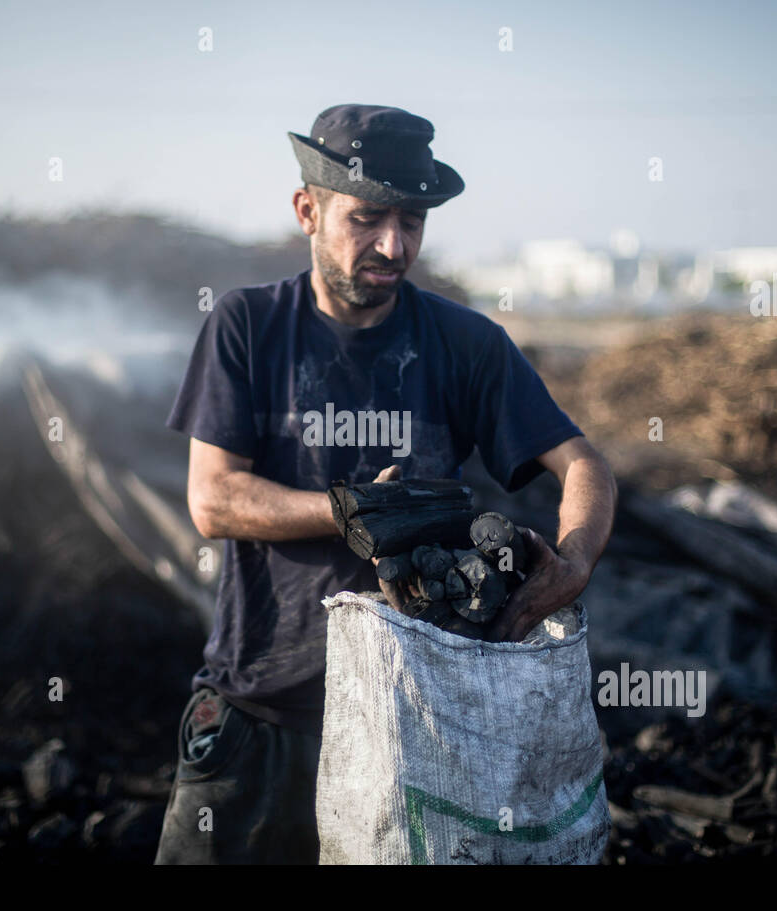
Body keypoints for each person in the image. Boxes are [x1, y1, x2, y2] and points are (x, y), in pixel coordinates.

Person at [154, 104, 617, 864]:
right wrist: (351, 511)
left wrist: (572, 561)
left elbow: (585, 463)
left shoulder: (465, 344)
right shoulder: (248, 326)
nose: (393, 245)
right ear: (308, 209)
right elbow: (214, 498)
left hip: (418, 724)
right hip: (261, 710)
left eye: (412, 221)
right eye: (367, 219)